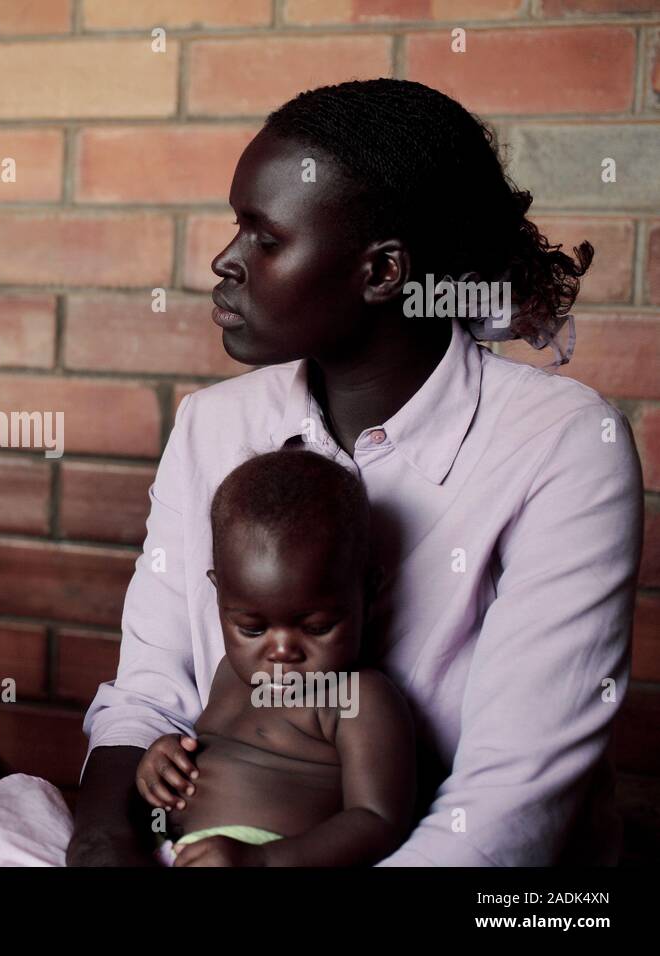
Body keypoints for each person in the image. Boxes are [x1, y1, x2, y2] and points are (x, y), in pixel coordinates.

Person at [70, 78, 643, 867]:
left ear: (381, 273)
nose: (224, 261)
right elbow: (148, 697)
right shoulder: (216, 425)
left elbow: (508, 806)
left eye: (264, 238)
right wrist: (102, 847)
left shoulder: (564, 447)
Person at [140, 449, 415, 867]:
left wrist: (264, 860)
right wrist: (164, 759)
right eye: (252, 628)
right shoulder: (229, 673)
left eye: (317, 626)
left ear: (369, 594)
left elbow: (378, 821)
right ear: (219, 596)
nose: (282, 650)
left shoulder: (357, 698)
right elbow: (217, 753)